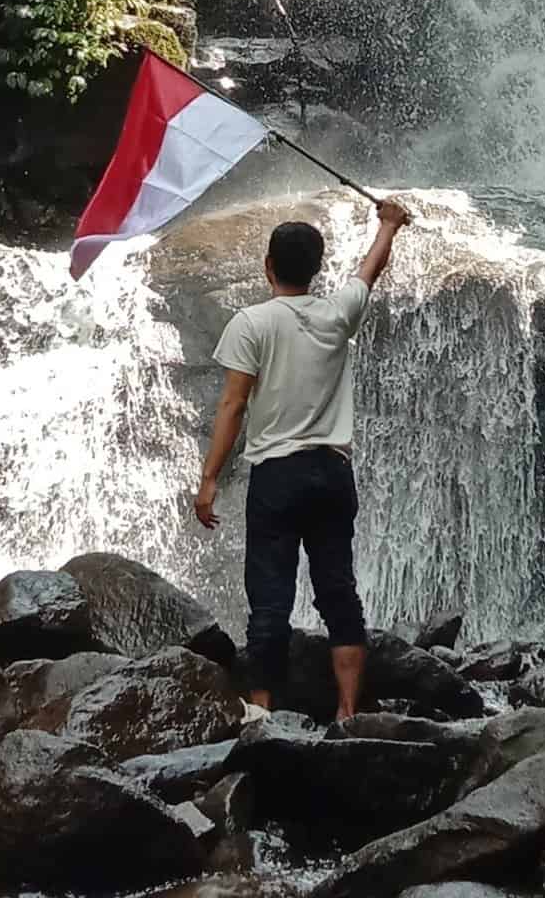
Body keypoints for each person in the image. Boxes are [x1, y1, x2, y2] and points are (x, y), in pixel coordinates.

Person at [194, 198, 412, 720]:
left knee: (269, 600)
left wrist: (209, 478)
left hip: (277, 475)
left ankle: (262, 714)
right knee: (338, 592)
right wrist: (389, 224)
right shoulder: (338, 313)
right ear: (317, 269)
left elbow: (233, 404)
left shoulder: (252, 323)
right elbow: (370, 269)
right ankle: (346, 713)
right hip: (333, 474)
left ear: (267, 265)